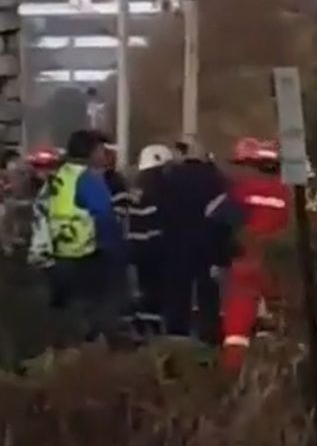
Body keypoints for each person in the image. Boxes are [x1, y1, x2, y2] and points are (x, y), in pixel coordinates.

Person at [30, 129, 130, 346]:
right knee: (97, 318)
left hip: (60, 256)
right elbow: (104, 217)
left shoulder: (58, 176)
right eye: (101, 149)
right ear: (91, 152)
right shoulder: (88, 179)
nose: (104, 154)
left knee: (67, 319)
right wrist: (118, 252)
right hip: (90, 256)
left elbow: (41, 212)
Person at [158, 137, 240, 344]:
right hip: (209, 242)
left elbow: (162, 211)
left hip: (176, 243)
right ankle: (210, 336)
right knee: (208, 293)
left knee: (178, 291)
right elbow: (226, 213)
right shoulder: (216, 179)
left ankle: (177, 335)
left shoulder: (169, 177)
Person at [220, 137, 291, 372]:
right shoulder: (286, 195)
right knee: (279, 321)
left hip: (245, 262)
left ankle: (233, 375)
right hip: (277, 265)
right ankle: (277, 372)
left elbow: (220, 220)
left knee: (237, 328)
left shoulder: (241, 192)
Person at [127, 143, 173, 335]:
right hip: (155, 243)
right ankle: (155, 330)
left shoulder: (137, 183)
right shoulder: (159, 184)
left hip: (137, 243)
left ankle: (144, 327)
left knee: (144, 288)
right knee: (157, 289)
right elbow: (164, 215)